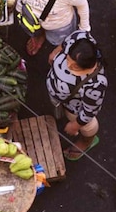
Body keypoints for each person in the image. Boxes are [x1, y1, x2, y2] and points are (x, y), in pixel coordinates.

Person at [46, 30, 107, 161]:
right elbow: (65, 43)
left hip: (73, 106)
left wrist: (75, 125)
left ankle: (86, 142)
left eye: (75, 67)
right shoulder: (80, 38)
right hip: (59, 97)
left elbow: (89, 111)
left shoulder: (95, 85)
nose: (68, 66)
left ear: (88, 67)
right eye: (67, 60)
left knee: (89, 126)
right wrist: (55, 52)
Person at [15, 0, 91, 56]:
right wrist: (19, 8)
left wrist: (84, 29)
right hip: (34, 20)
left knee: (56, 41)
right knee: (36, 31)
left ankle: (58, 46)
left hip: (58, 26)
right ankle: (39, 36)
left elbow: (82, 5)